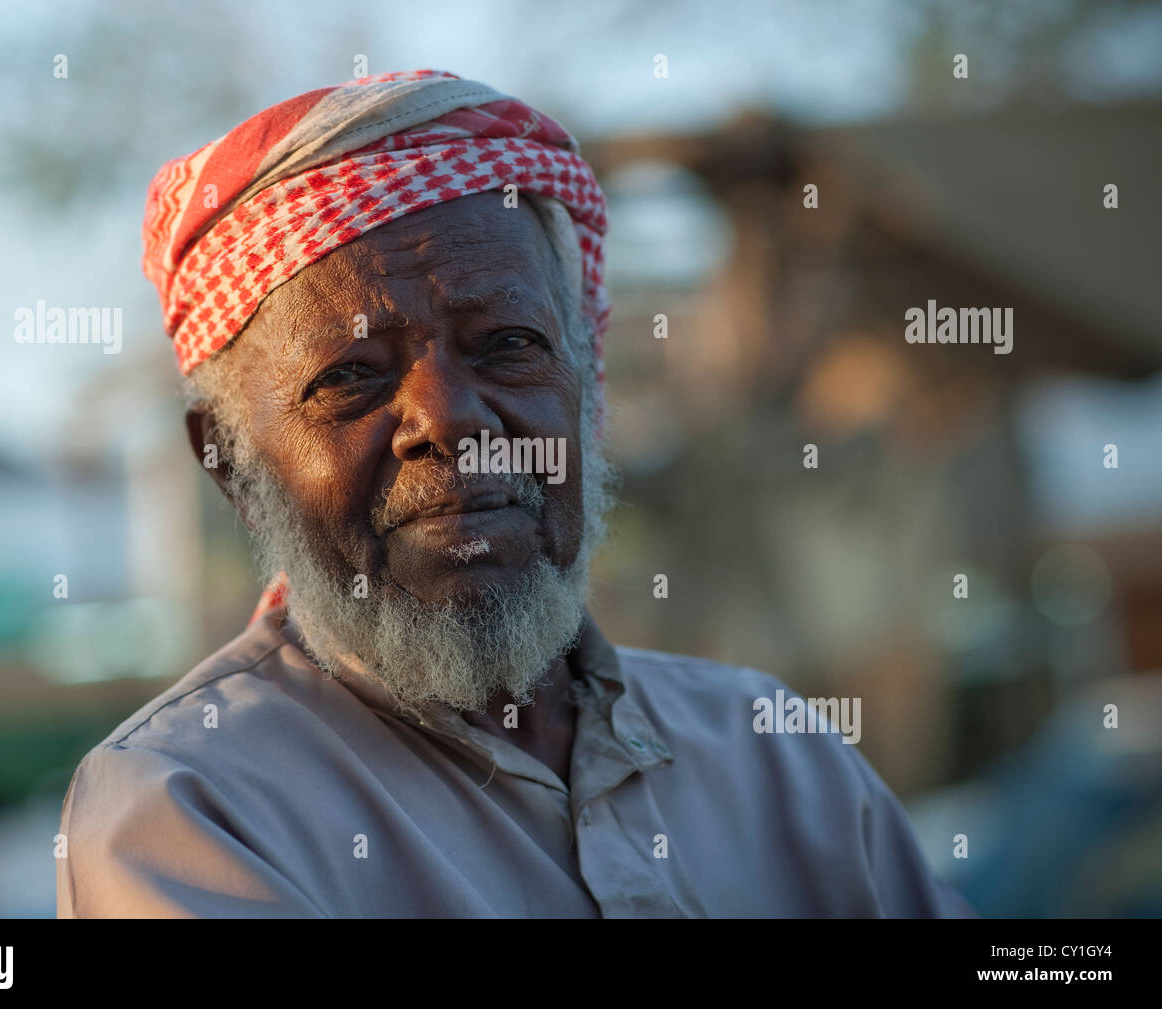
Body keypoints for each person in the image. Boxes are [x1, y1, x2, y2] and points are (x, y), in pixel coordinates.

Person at [57, 68, 971, 918]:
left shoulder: (772, 752)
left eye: (508, 346)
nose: (452, 420)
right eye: (353, 378)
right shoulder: (187, 808)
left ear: (587, 391)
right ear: (228, 462)